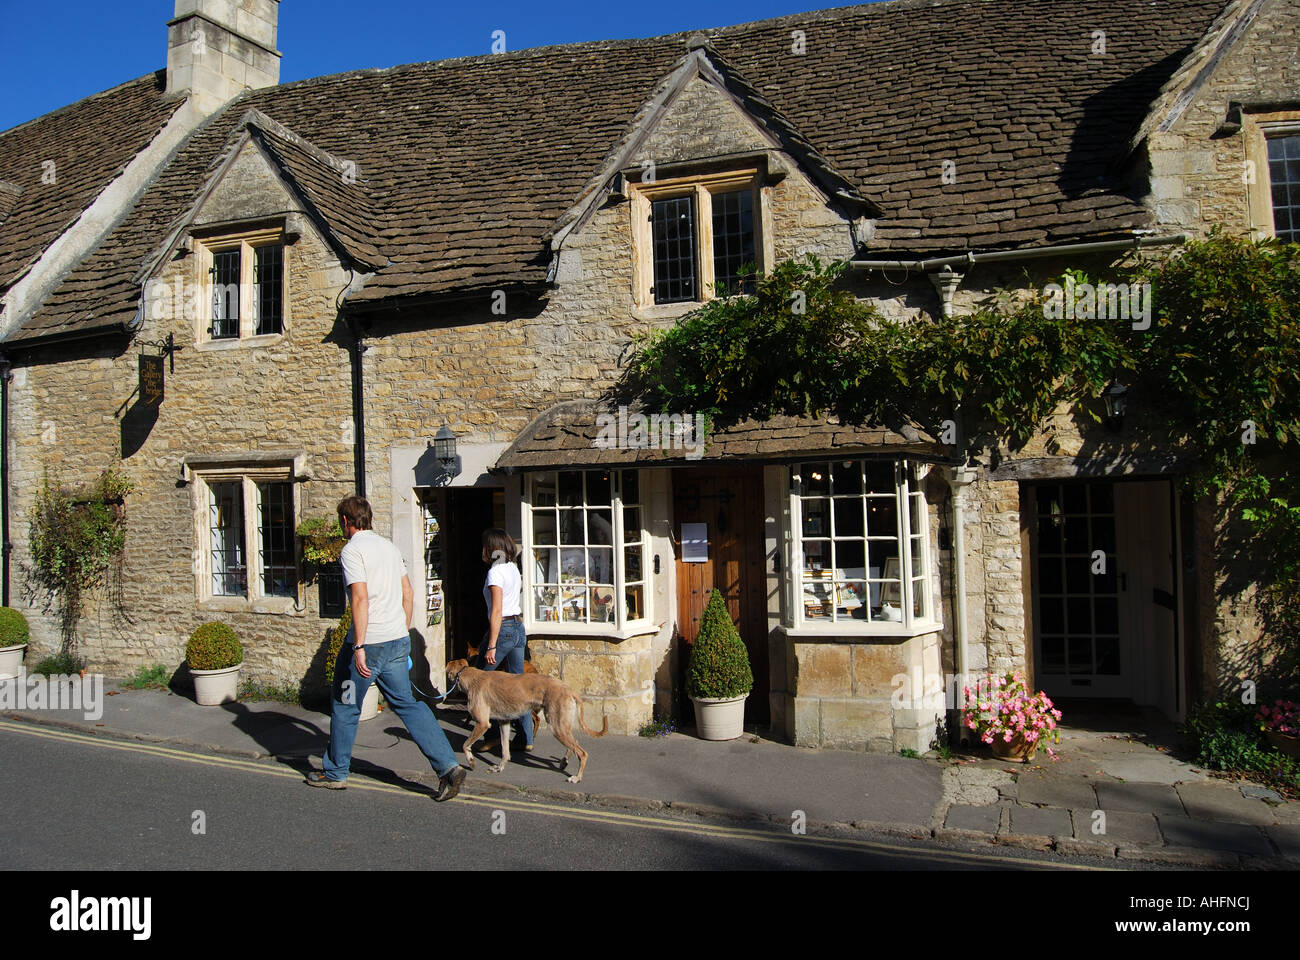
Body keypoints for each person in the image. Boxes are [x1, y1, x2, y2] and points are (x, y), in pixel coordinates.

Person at [306, 495, 466, 801]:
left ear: (345, 522)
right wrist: (402, 634)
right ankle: (448, 767)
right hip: (395, 643)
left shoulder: (352, 551)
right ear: (368, 518)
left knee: (345, 703)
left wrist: (360, 647)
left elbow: (360, 599)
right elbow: (408, 593)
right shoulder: (390, 548)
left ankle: (336, 772)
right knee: (408, 705)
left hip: (369, 646)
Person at [477, 527, 533, 751]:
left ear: (491, 548)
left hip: (504, 629)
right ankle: (525, 738)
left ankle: (490, 736)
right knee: (519, 686)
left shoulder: (495, 572)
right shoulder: (511, 567)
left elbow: (497, 611)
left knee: (480, 683)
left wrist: (491, 645)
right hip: (518, 627)